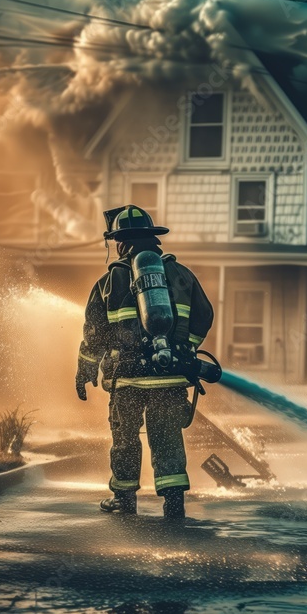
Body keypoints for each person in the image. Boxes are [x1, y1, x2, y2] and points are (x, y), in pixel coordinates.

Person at [75, 205, 214, 519]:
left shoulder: (109, 283)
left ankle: (124, 501)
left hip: (127, 380)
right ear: (153, 239)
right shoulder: (181, 276)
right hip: (171, 377)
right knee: (166, 438)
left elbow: (94, 332)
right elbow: (204, 317)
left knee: (124, 438)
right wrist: (184, 350)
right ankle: (173, 502)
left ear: (121, 243)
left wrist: (84, 370)